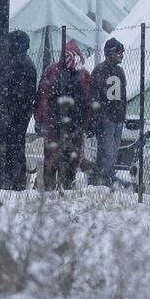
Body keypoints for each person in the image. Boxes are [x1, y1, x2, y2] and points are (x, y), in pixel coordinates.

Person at [34, 39, 91, 190]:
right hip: (75, 126)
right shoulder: (84, 74)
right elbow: (89, 102)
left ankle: (49, 188)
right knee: (71, 158)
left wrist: (40, 119)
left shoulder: (51, 71)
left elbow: (42, 97)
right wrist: (87, 122)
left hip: (53, 123)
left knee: (51, 157)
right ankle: (66, 186)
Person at [0, 31, 38, 189]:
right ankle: (15, 181)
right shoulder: (24, 63)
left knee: (10, 146)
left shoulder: (15, 64)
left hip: (12, 110)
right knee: (15, 146)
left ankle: (10, 181)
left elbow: (1, 85)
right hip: (19, 111)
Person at [88, 37, 128, 186]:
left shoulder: (119, 71)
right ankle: (102, 180)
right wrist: (97, 119)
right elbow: (94, 97)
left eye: (122, 52)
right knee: (106, 152)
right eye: (118, 52)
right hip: (106, 119)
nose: (121, 55)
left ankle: (108, 177)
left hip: (117, 118)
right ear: (110, 53)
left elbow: (123, 96)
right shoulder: (100, 70)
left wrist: (123, 115)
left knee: (113, 151)